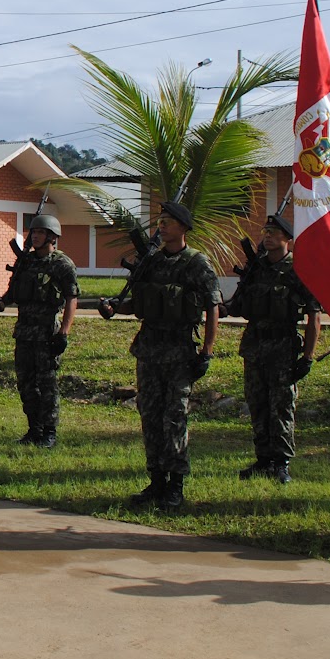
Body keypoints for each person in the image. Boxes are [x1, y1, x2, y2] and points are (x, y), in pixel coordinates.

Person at [97, 201, 219, 510]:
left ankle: (175, 484)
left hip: (179, 352)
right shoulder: (149, 263)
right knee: (150, 416)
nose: (161, 226)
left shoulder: (197, 264)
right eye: (160, 221)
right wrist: (113, 308)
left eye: (168, 221)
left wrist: (207, 351)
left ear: (183, 227)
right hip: (149, 350)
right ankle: (157, 480)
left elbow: (212, 307)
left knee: (174, 417)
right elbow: (138, 305)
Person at [224, 214, 320, 483]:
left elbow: (314, 316)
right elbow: (237, 305)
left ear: (287, 239)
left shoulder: (299, 269)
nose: (268, 236)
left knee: (281, 406)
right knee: (258, 403)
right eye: (265, 231)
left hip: (282, 347)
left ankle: (281, 461)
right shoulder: (256, 268)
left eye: (274, 232)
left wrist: (308, 356)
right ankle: (263, 457)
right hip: (254, 346)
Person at [0, 213, 78, 448]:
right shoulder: (26, 261)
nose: (36, 236)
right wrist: (3, 301)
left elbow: (72, 298)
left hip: (47, 333)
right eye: (34, 232)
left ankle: (49, 431)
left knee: (47, 384)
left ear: (52, 237)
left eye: (41, 233)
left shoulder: (61, 264)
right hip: (24, 333)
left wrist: (64, 333)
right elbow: (13, 290)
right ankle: (34, 428)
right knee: (26, 383)